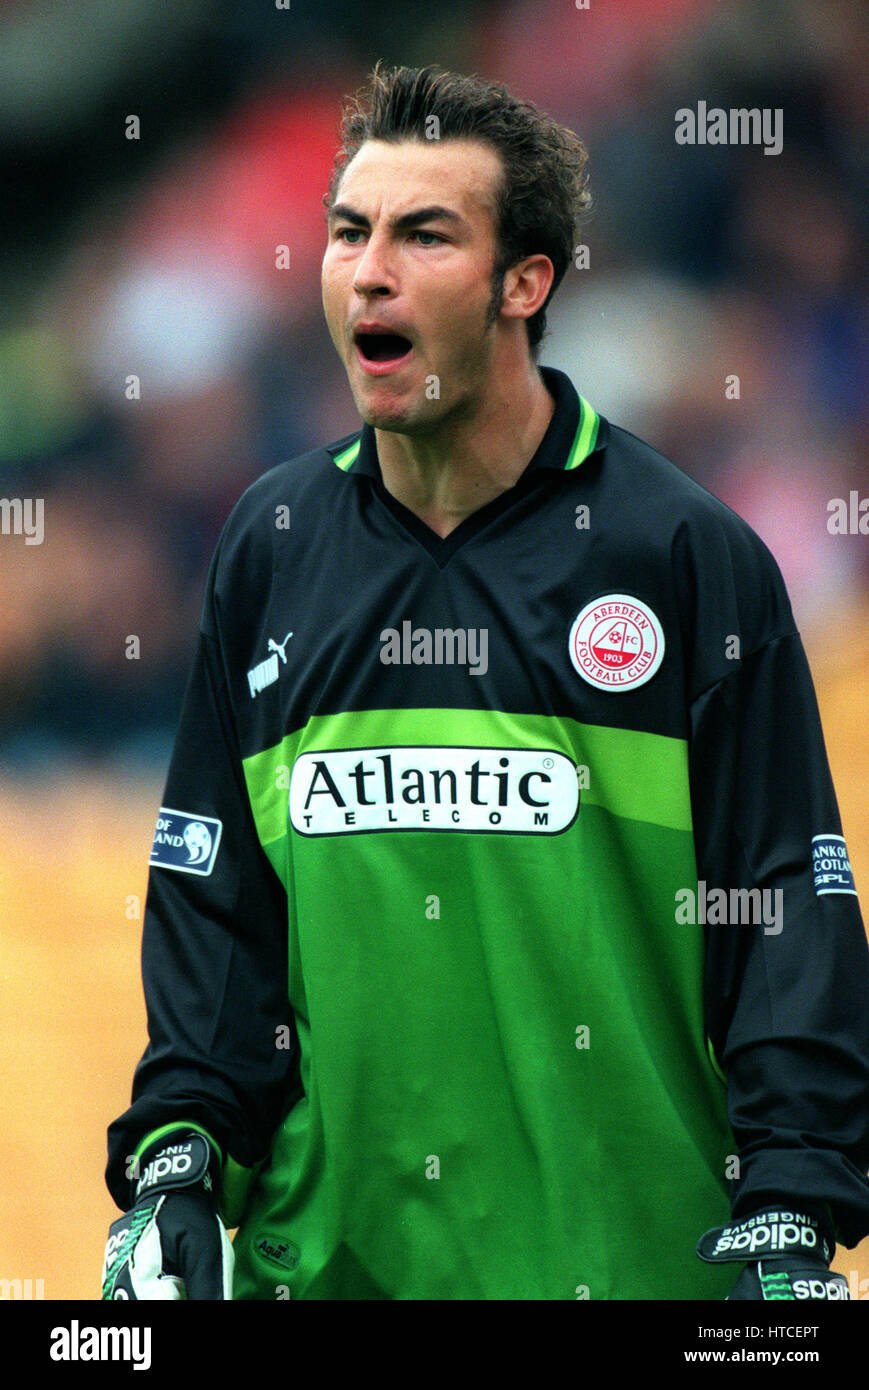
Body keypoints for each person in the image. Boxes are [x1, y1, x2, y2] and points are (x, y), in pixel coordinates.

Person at [102, 62, 869, 1301]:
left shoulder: (680, 555)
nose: (369, 270)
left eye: (422, 234)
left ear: (525, 284)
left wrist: (789, 1205)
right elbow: (213, 898)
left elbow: (779, 903)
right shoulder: (272, 543)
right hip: (325, 1271)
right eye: (348, 230)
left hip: (629, 1270)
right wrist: (179, 1158)